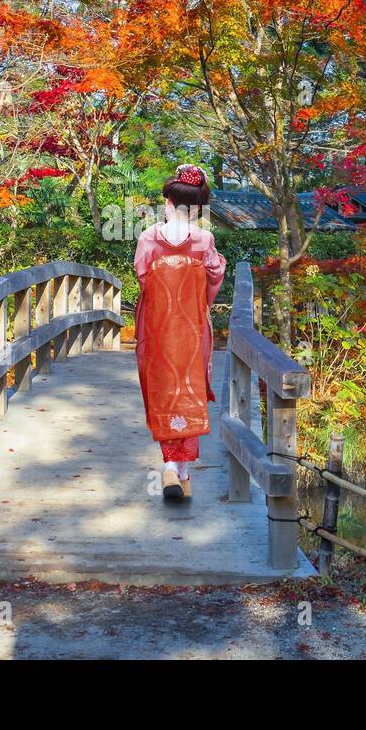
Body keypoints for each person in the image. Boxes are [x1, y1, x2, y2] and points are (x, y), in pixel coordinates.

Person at [133, 164, 227, 500]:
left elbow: (144, 277)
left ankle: (174, 468)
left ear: (168, 202)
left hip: (157, 326)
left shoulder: (148, 237)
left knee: (162, 388)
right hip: (191, 326)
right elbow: (214, 277)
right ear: (199, 208)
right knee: (190, 388)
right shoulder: (204, 240)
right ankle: (180, 470)